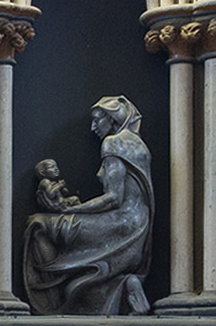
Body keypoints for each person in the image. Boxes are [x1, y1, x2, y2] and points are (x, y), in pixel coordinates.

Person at [23, 96, 154, 315]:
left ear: (111, 118)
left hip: (121, 226)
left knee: (39, 225)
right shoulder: (137, 144)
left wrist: (71, 210)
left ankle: (52, 306)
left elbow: (113, 198)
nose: (93, 127)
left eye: (97, 120)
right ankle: (124, 286)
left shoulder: (113, 143)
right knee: (77, 282)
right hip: (138, 224)